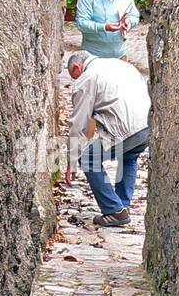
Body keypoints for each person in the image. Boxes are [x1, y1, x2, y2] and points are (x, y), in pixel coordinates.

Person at [64, 50, 150, 227]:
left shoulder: (86, 78)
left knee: (88, 159)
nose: (75, 82)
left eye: (74, 76)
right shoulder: (119, 64)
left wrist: (71, 162)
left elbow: (78, 124)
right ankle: (122, 206)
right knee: (129, 157)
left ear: (77, 67)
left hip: (124, 129)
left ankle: (113, 210)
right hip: (146, 126)